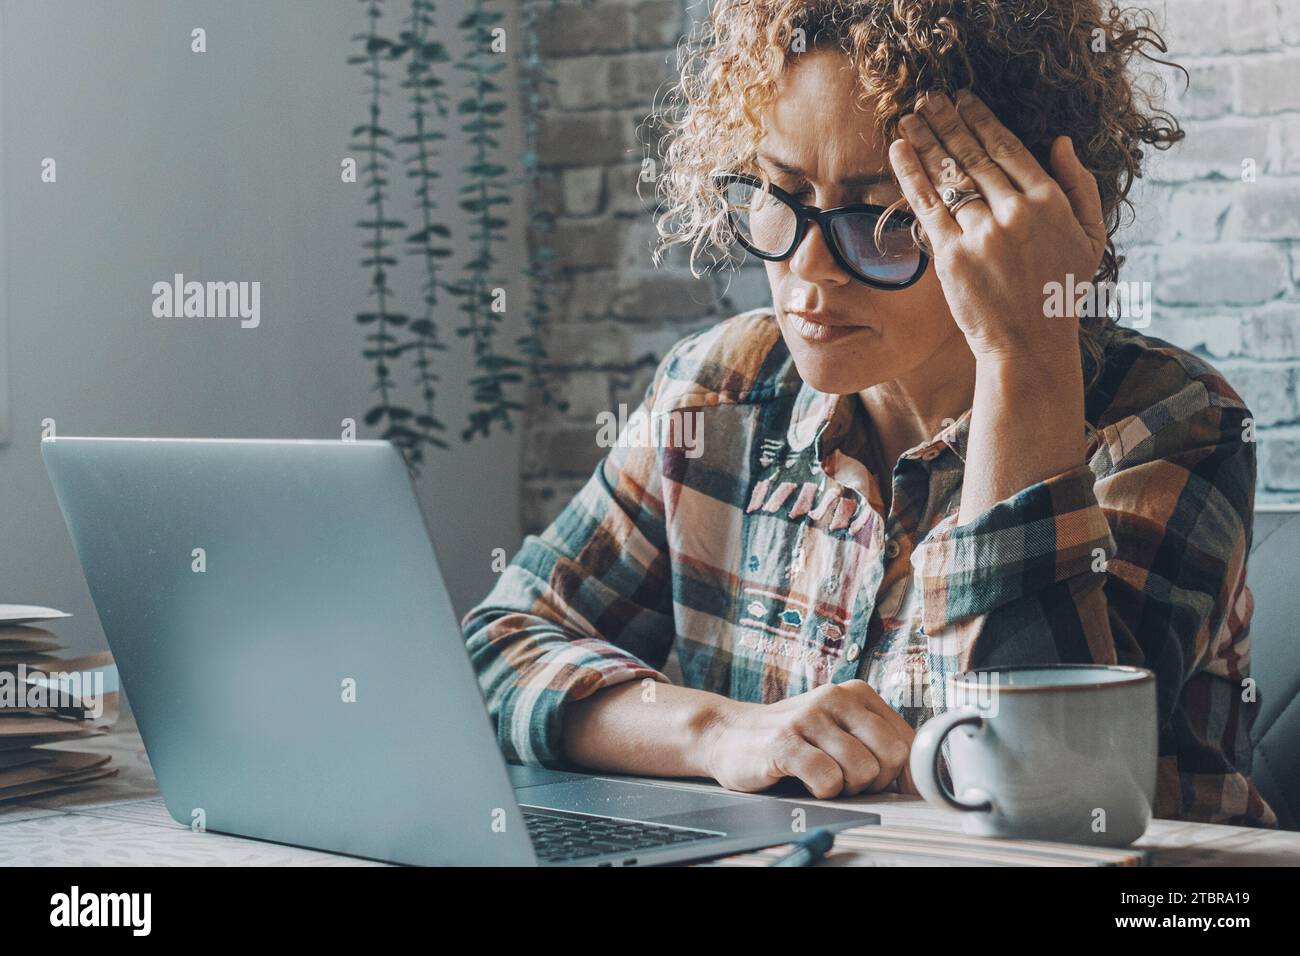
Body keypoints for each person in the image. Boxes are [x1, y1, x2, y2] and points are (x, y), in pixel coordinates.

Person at [462, 0, 1277, 827]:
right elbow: (496, 647)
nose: (808, 271)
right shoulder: (720, 392)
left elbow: (1051, 789)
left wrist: (1024, 356)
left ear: (1020, 216)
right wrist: (716, 732)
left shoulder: (1173, 425)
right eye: (779, 193)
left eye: (882, 217)